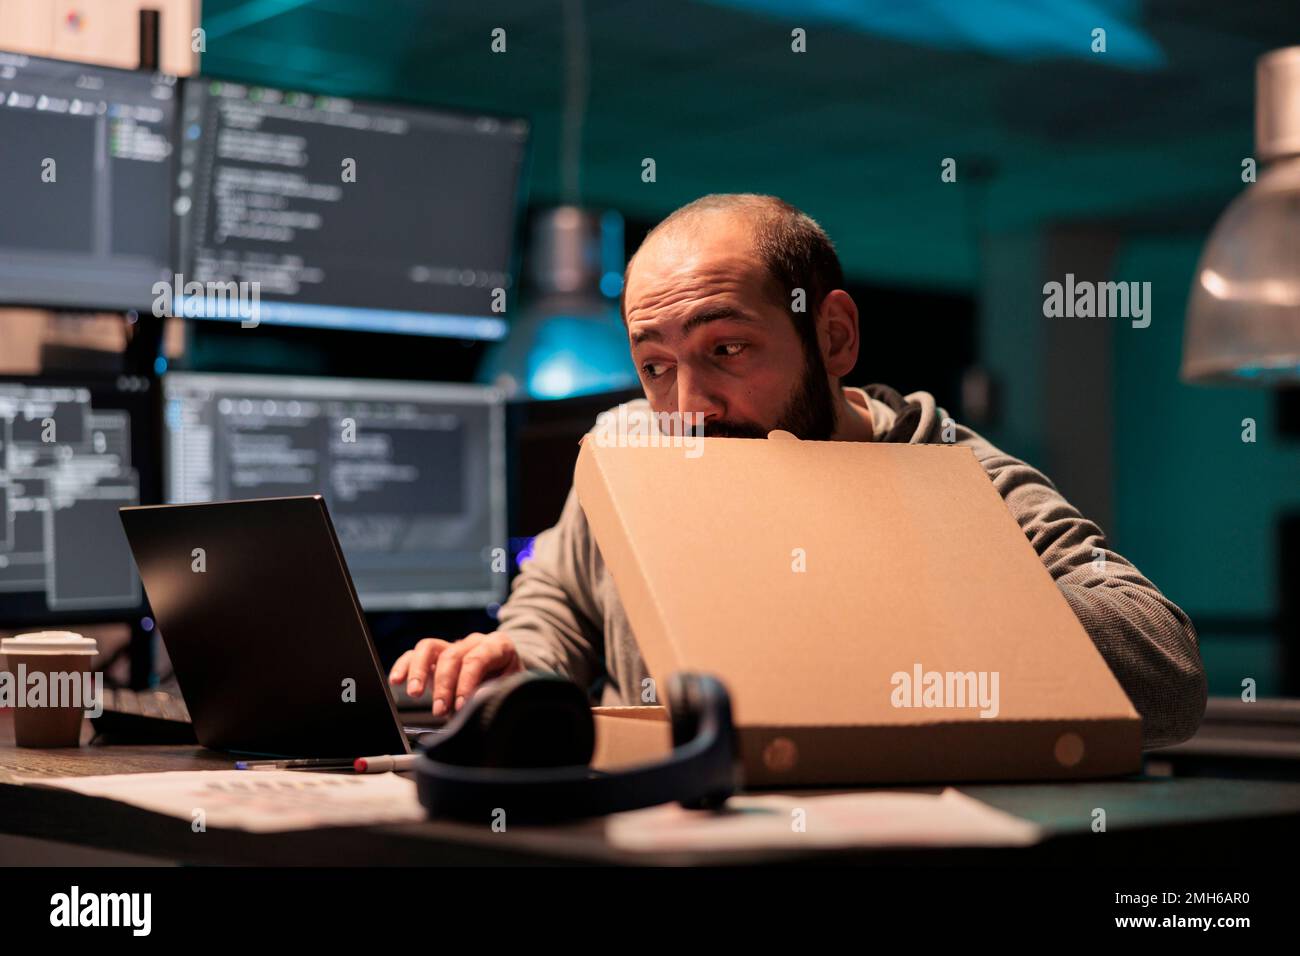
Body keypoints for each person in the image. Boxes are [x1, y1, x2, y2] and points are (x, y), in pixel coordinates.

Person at [389, 193, 1206, 749]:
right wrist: (510, 663)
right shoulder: (630, 447)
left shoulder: (946, 467)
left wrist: (919, 582)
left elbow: (1168, 676)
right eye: (656, 365)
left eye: (727, 350)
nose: (689, 404)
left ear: (835, 337)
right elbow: (553, 612)